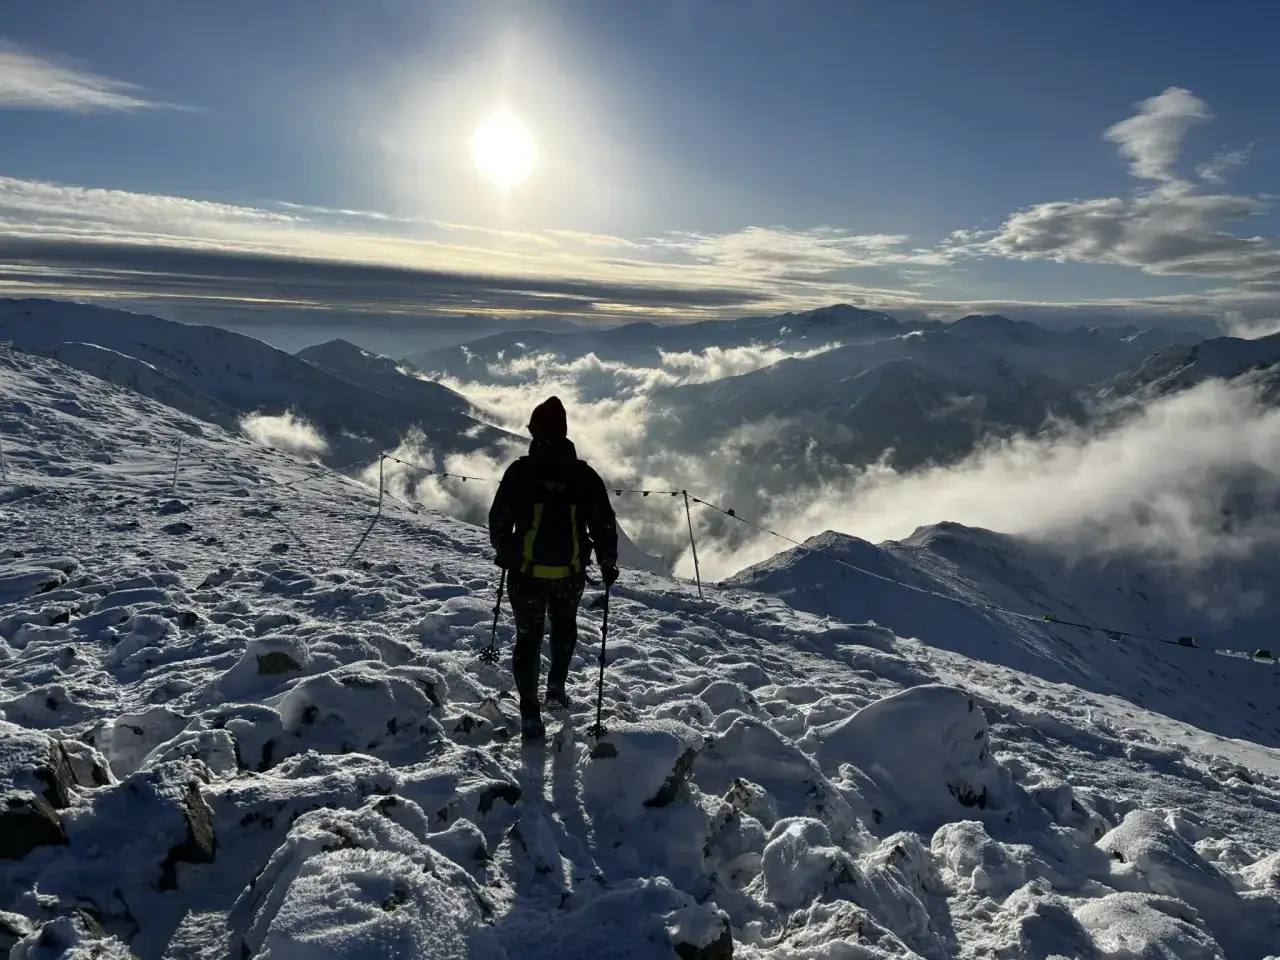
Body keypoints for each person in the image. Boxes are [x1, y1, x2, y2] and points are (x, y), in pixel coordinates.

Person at [488, 396, 619, 740]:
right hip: (570, 574)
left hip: (526, 575)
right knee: (564, 627)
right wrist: (607, 564)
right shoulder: (584, 476)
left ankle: (530, 714)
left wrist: (505, 550)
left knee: (528, 640)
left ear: (535, 432)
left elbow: (497, 520)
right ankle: (556, 689)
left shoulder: (520, 472)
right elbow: (603, 524)